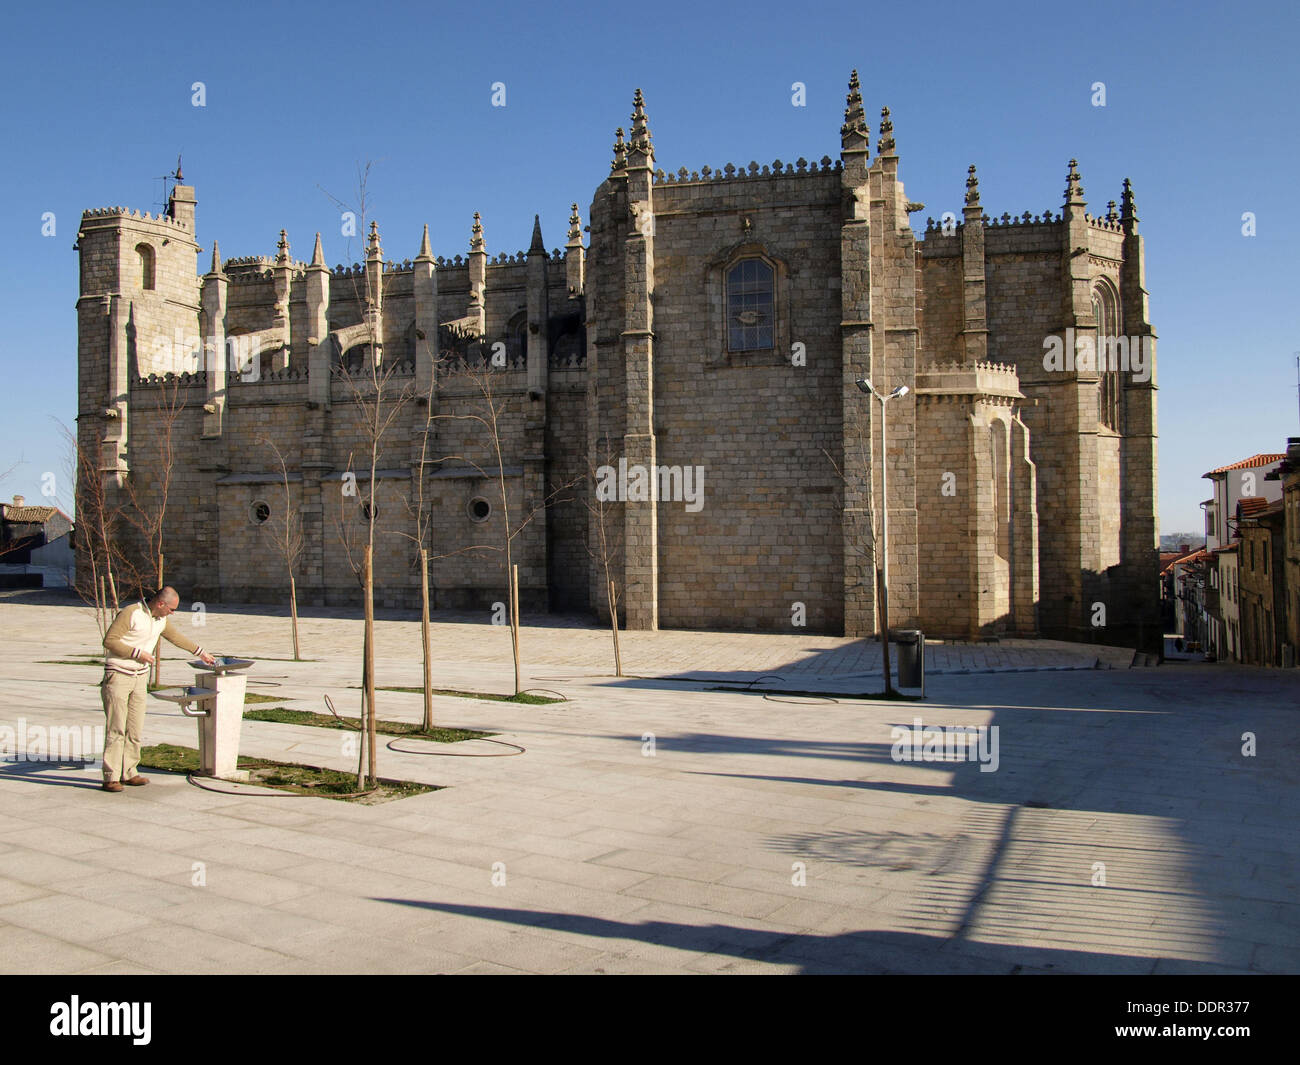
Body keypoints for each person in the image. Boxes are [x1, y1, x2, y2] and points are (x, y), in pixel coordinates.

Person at [101, 587, 216, 792]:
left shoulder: (160, 620)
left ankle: (129, 772)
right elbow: (109, 641)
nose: (172, 613)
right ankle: (111, 776)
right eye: (171, 609)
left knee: (135, 728)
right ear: (160, 604)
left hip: (140, 677)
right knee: (116, 728)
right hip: (118, 675)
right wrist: (137, 653)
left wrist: (201, 653)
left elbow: (176, 637)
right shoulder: (131, 613)